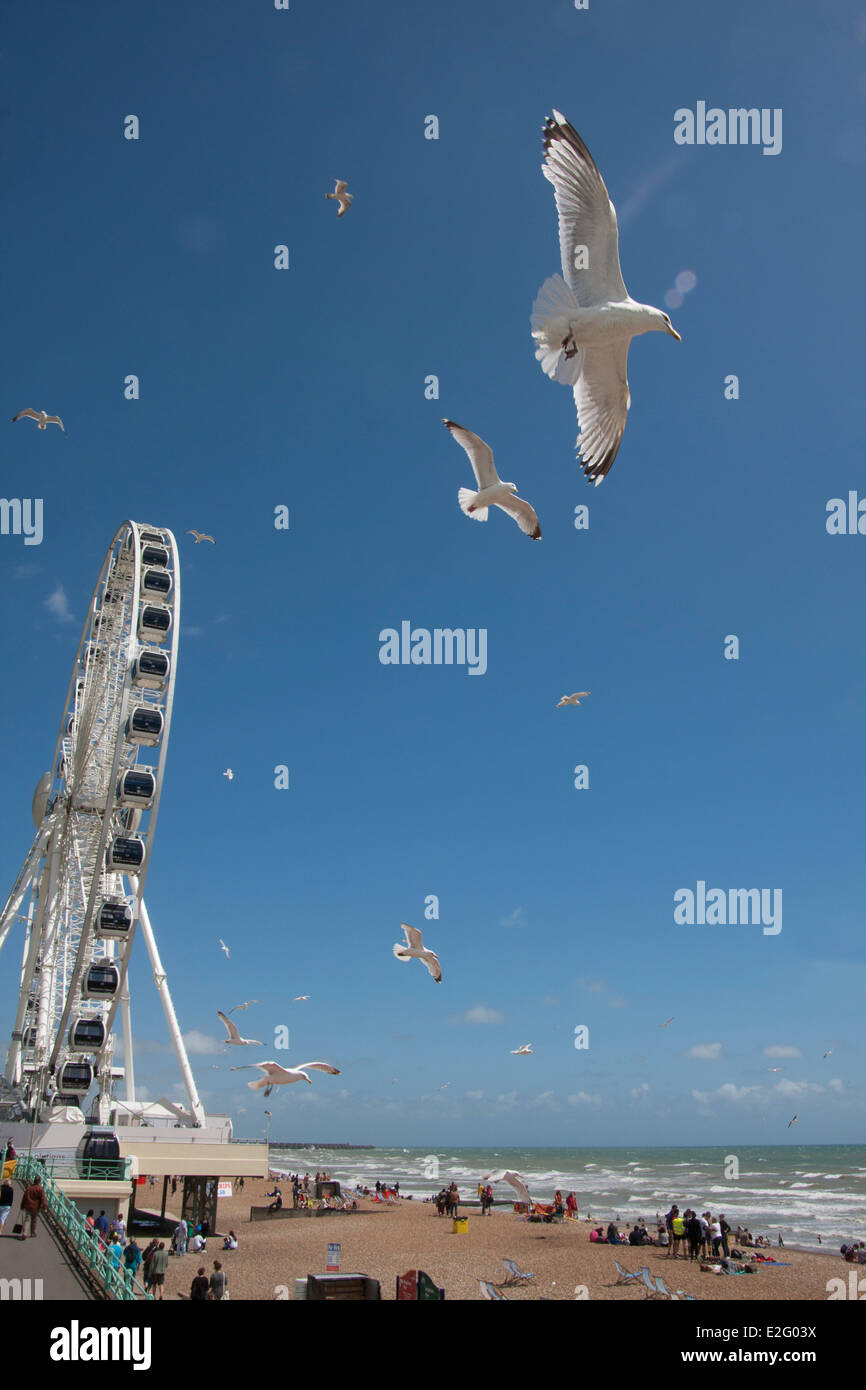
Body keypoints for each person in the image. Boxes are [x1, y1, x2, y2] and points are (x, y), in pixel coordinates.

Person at [19, 1175, 47, 1239]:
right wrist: (44, 1207)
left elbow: (24, 1198)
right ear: (39, 1182)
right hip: (36, 1207)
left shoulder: (29, 1188)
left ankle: (25, 1233)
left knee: (27, 1220)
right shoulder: (40, 1189)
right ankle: (33, 1232)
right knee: (34, 1220)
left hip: (28, 1206)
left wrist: (22, 1206)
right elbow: (43, 1199)